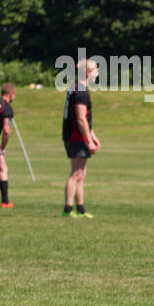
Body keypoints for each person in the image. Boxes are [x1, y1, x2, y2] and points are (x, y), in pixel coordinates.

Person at [63, 58, 100, 218]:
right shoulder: (81, 92)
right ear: (87, 72)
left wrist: (92, 135)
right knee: (76, 173)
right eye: (95, 70)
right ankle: (68, 209)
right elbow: (80, 119)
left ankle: (81, 209)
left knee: (81, 173)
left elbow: (83, 117)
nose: (97, 73)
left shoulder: (76, 88)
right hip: (76, 137)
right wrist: (89, 140)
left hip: (77, 135)